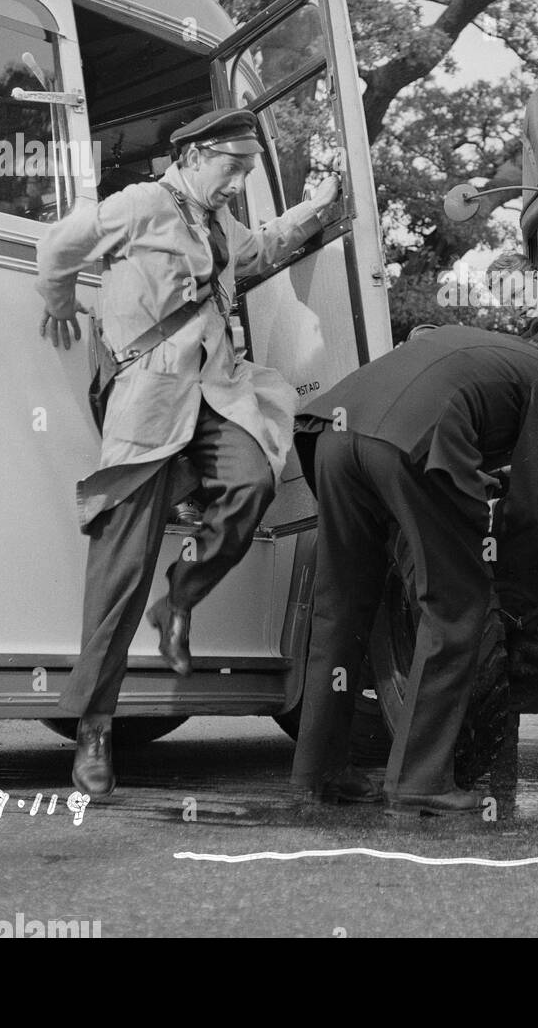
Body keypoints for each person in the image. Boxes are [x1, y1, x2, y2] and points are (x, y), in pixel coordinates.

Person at [36, 107, 340, 797]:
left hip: (217, 396)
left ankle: (179, 601)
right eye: (232, 167)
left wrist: (317, 208)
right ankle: (94, 731)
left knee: (254, 481)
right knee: (119, 571)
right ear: (197, 153)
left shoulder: (217, 222)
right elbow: (59, 244)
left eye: (246, 171)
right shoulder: (141, 204)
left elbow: (258, 247)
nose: (237, 182)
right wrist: (57, 298)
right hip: (147, 406)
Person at [290, 318, 538, 816]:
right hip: (410, 445)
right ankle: (419, 779)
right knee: (455, 608)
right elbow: (535, 506)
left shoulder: (467, 341)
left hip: (333, 435)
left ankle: (317, 774)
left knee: (339, 610)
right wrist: (535, 563)